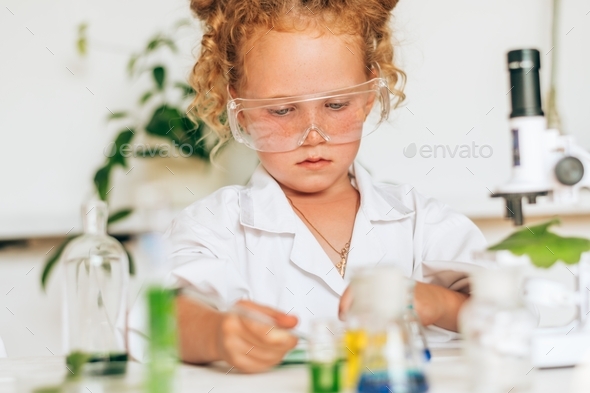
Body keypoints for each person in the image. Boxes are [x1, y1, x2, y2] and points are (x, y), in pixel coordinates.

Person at [165, 0, 488, 373]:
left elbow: (510, 311)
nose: (312, 135)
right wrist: (217, 333)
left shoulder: (422, 222)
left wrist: (442, 305)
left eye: (336, 105)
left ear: (368, 97)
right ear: (239, 107)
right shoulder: (215, 225)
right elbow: (165, 314)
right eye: (282, 110)